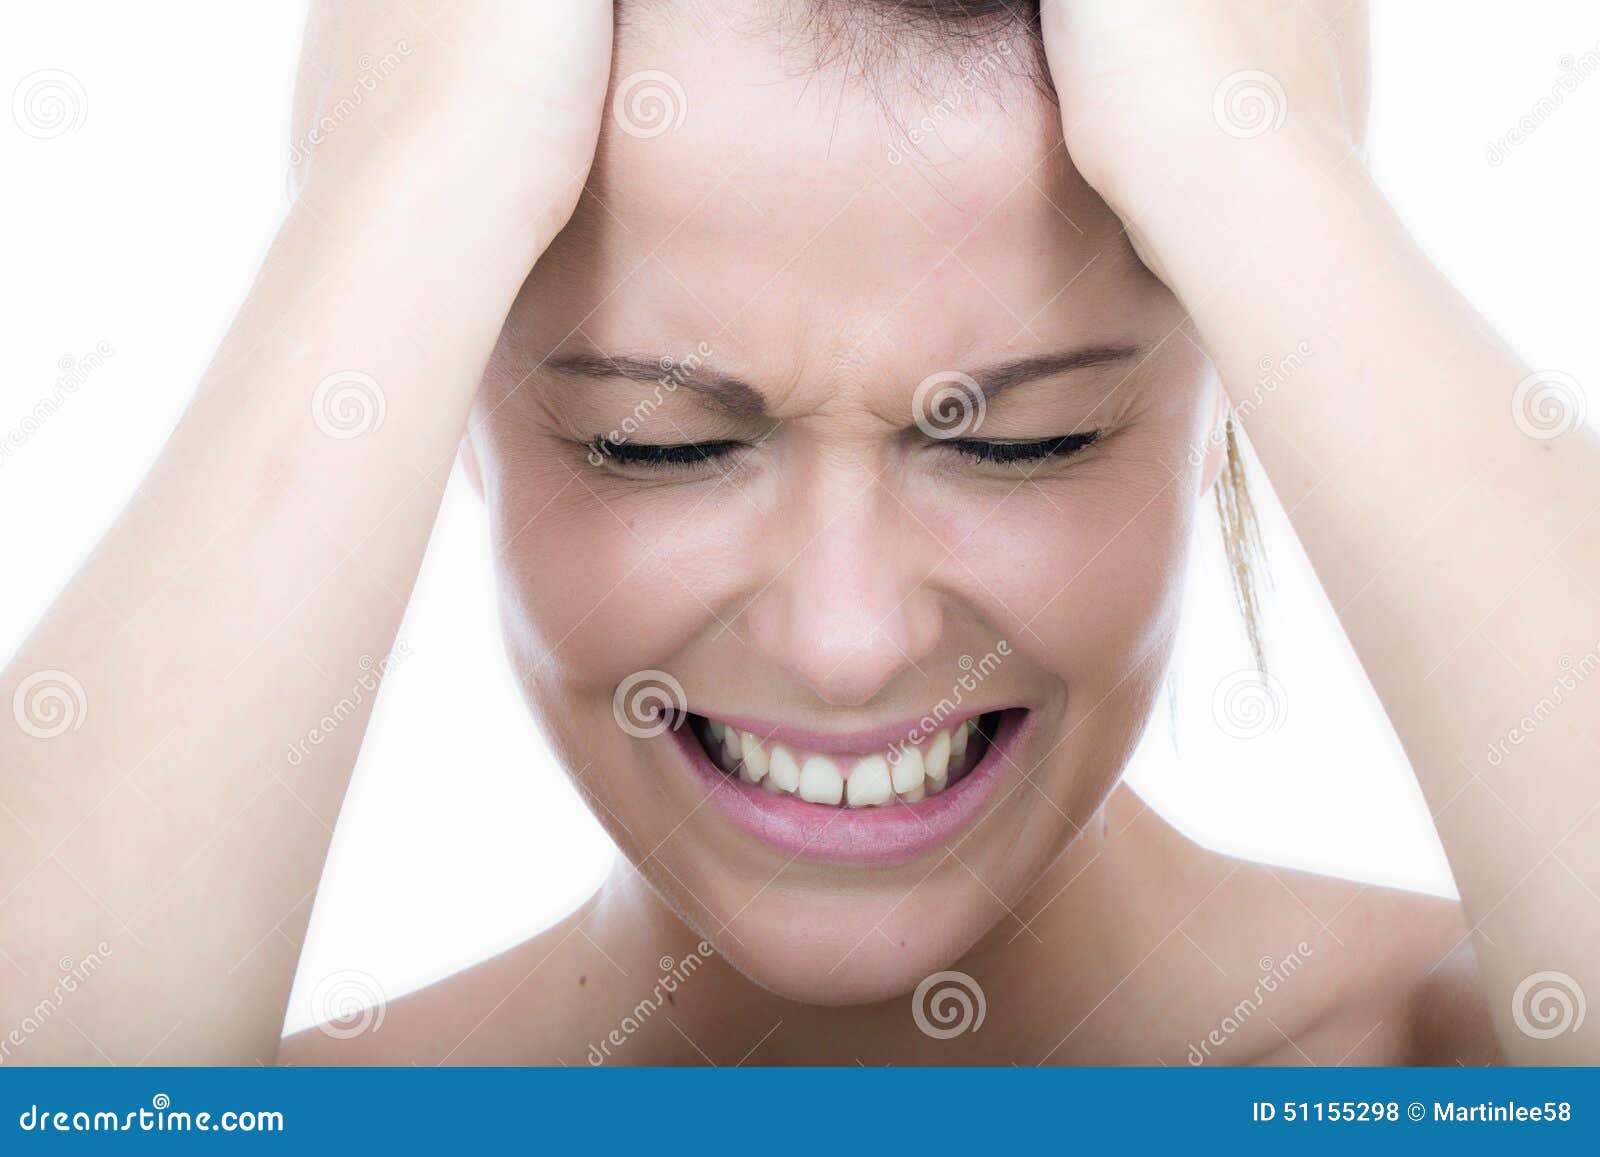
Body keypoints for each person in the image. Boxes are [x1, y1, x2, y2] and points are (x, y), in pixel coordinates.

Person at [4, 0, 1595, 1066]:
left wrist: (1253, 160)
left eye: (1030, 438)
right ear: (448, 397)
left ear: (1249, 379)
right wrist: (408, 183)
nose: (849, 639)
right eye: (657, 442)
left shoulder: (1453, 1062)